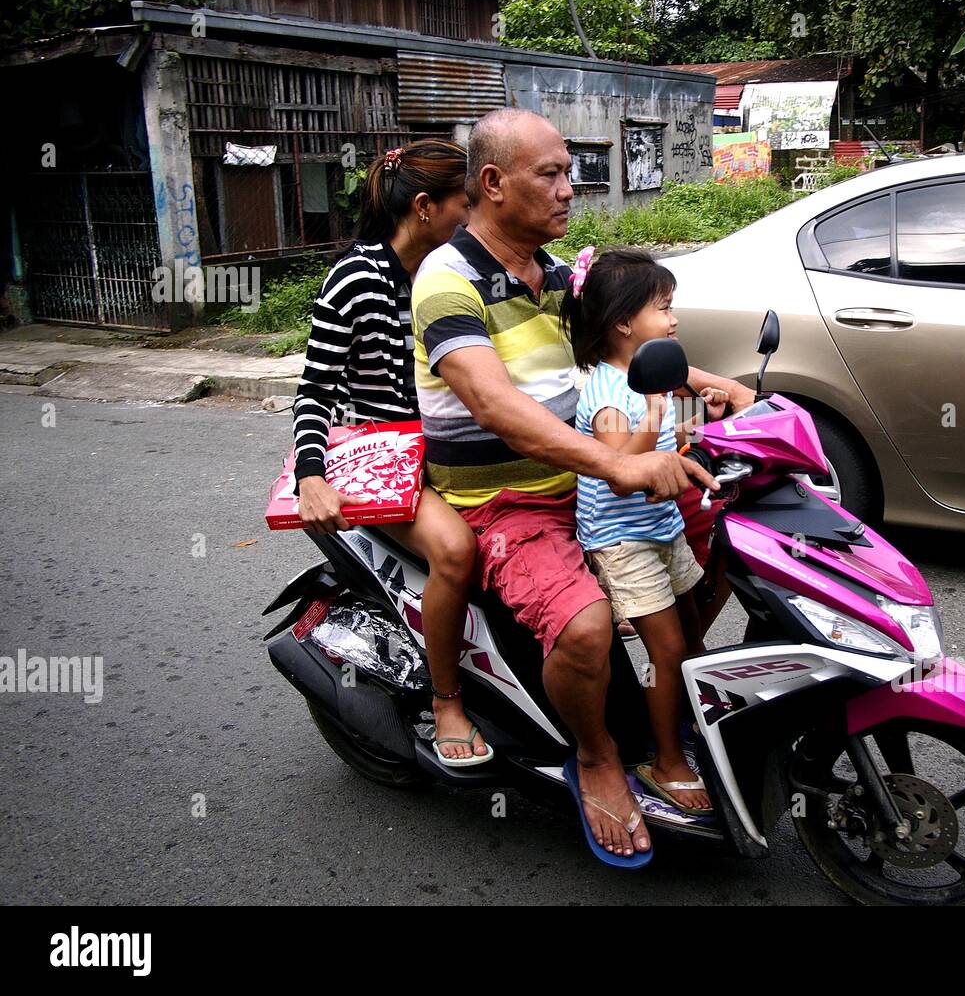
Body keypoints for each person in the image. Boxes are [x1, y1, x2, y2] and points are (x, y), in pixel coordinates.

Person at [410, 107, 753, 863]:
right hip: (508, 500)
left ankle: (674, 689)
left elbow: (618, 355)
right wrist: (623, 463)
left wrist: (711, 386)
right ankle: (596, 752)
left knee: (735, 527)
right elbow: (498, 405)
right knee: (588, 627)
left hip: (585, 477)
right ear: (494, 184)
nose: (572, 188)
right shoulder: (448, 277)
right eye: (553, 174)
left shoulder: (559, 277)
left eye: (570, 172)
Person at [292, 138, 490, 767]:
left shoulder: (466, 270)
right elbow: (316, 388)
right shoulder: (356, 278)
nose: (476, 215)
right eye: (467, 202)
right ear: (427, 207)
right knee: (456, 553)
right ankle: (447, 700)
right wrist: (310, 476)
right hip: (390, 459)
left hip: (462, 448)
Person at [563, 247, 729, 815]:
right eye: (664, 307)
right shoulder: (610, 393)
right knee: (668, 648)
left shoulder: (652, 377)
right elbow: (619, 471)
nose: (674, 318)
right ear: (624, 323)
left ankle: (684, 724)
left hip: (662, 526)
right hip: (623, 540)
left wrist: (700, 409)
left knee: (690, 636)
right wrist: (655, 415)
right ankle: (666, 762)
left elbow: (671, 444)